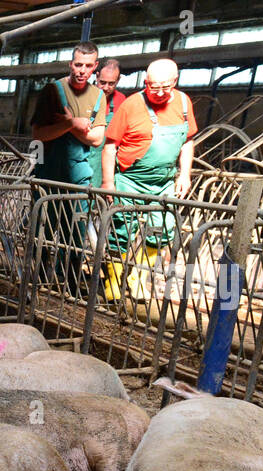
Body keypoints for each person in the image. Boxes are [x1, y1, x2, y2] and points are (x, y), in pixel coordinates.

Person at [101, 58, 198, 303]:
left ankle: (138, 277)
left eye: (166, 86)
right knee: (121, 229)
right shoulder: (132, 105)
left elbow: (187, 141)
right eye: (154, 87)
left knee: (164, 229)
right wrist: (108, 183)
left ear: (175, 81)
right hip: (131, 178)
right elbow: (110, 146)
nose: (160, 92)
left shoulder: (184, 103)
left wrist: (185, 174)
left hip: (165, 180)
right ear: (145, 82)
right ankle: (113, 279)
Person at [29, 41, 107, 188]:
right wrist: (71, 124)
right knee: (45, 210)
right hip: (49, 173)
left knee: (80, 211)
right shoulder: (52, 91)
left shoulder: (98, 96)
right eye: (78, 65)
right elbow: (38, 135)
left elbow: (97, 139)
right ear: (70, 64)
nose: (83, 71)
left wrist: (70, 125)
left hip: (79, 175)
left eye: (88, 66)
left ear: (95, 66)